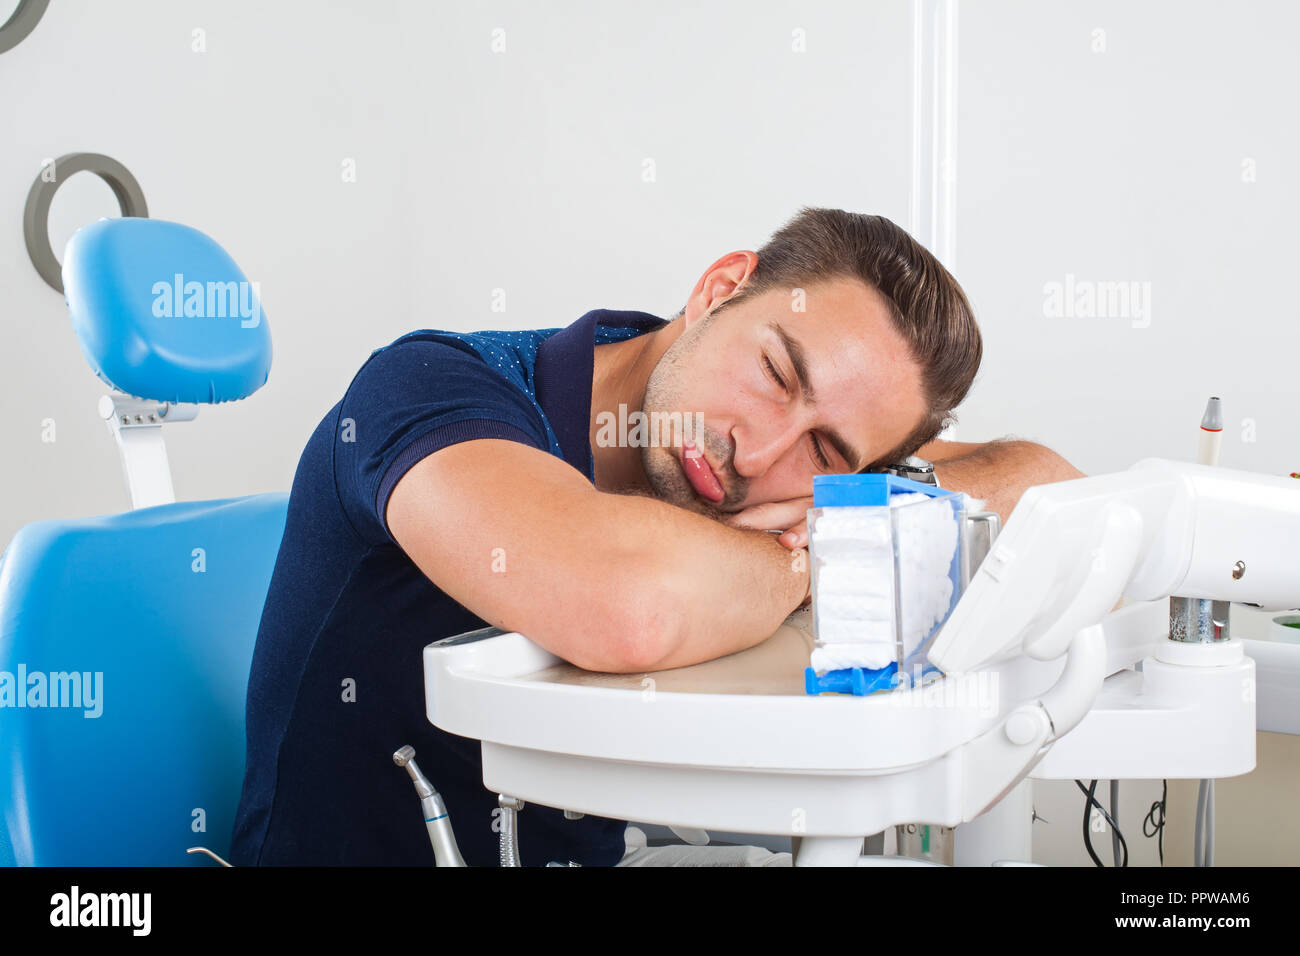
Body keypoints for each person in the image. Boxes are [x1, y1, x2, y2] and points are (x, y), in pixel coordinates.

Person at [229, 207, 1083, 867]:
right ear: (718, 287)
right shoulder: (429, 387)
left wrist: (851, 496)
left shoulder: (792, 443)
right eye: (776, 374)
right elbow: (627, 606)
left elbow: (1047, 481)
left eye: (827, 452)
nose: (759, 450)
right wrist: (826, 543)